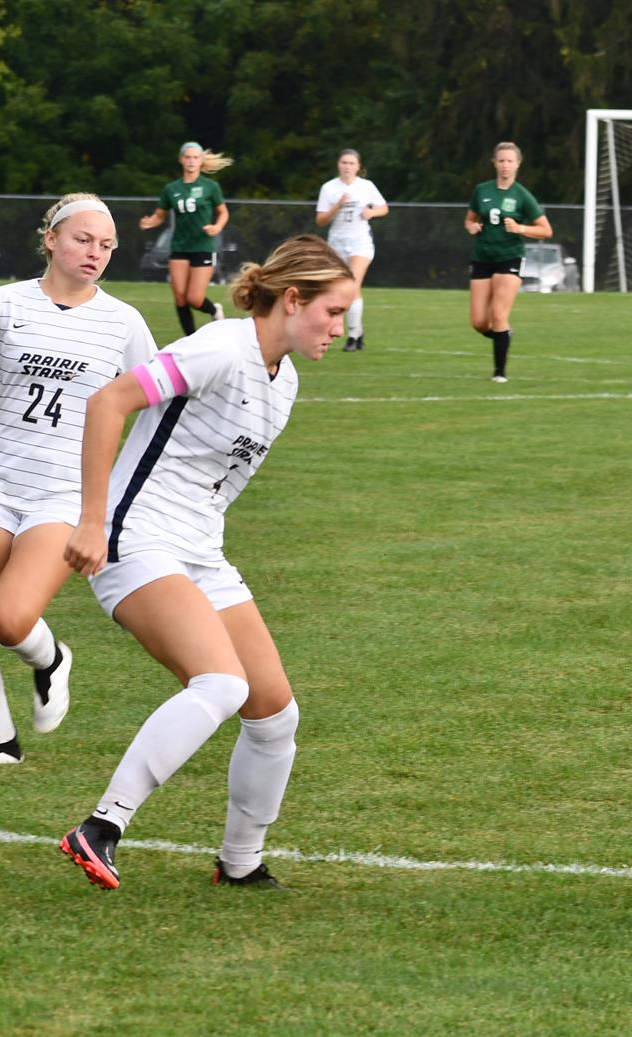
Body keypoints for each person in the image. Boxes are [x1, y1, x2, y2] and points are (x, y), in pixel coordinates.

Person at [58, 236, 356, 892]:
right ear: (292, 298)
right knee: (221, 684)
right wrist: (88, 519)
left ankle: (240, 862)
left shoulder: (286, 382)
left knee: (275, 711)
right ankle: (101, 826)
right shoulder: (220, 347)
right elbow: (109, 401)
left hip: (200, 552)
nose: (340, 327)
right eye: (332, 312)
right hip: (134, 541)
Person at [0, 193, 156, 766]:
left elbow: (159, 399)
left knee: (11, 618)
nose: (96, 253)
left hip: (67, 490)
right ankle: (0, 744)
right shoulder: (5, 303)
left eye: (107, 245)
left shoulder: (123, 323)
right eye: (83, 239)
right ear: (51, 239)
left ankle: (51, 660)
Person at [465, 141, 551, 384]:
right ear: (494, 163)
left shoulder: (522, 196)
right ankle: (504, 337)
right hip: (482, 258)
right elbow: (469, 220)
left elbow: (546, 230)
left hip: (509, 258)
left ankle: (499, 373)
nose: (505, 165)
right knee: (479, 322)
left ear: (518, 164)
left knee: (499, 314)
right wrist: (472, 227)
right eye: (501, 160)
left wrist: (521, 228)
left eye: (510, 161)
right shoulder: (482, 190)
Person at [140, 142, 232, 339]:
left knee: (194, 298)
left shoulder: (210, 187)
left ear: (200, 161)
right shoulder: (171, 189)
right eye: (188, 157)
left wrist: (216, 227)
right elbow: (160, 215)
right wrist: (151, 222)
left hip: (203, 246)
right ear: (181, 160)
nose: (191, 161)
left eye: (195, 157)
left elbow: (223, 213)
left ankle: (214, 310)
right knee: (180, 297)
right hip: (180, 247)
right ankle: (191, 339)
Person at [315, 148, 388, 350]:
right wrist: (337, 206)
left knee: (353, 284)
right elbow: (320, 220)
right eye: (344, 163)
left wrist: (371, 212)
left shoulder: (366, 186)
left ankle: (353, 337)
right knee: (342, 288)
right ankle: (359, 331)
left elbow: (384, 207)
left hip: (360, 242)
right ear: (338, 165)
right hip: (337, 243)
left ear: (358, 167)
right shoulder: (329, 188)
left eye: (351, 163)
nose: (347, 166)